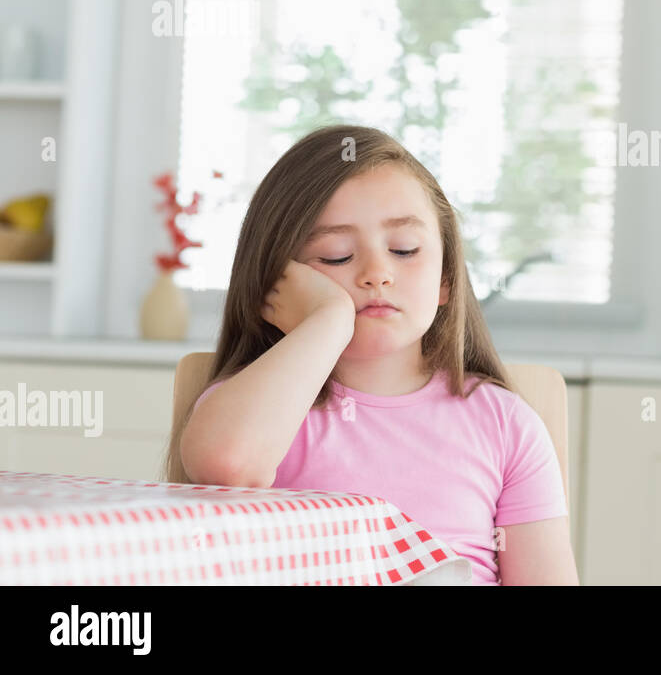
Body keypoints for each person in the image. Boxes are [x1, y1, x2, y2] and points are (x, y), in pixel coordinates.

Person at [167, 124, 579, 585]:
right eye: (336, 256)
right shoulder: (260, 411)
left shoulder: (505, 425)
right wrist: (329, 320)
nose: (377, 273)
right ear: (277, 285)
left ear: (446, 279)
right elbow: (228, 466)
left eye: (404, 250)